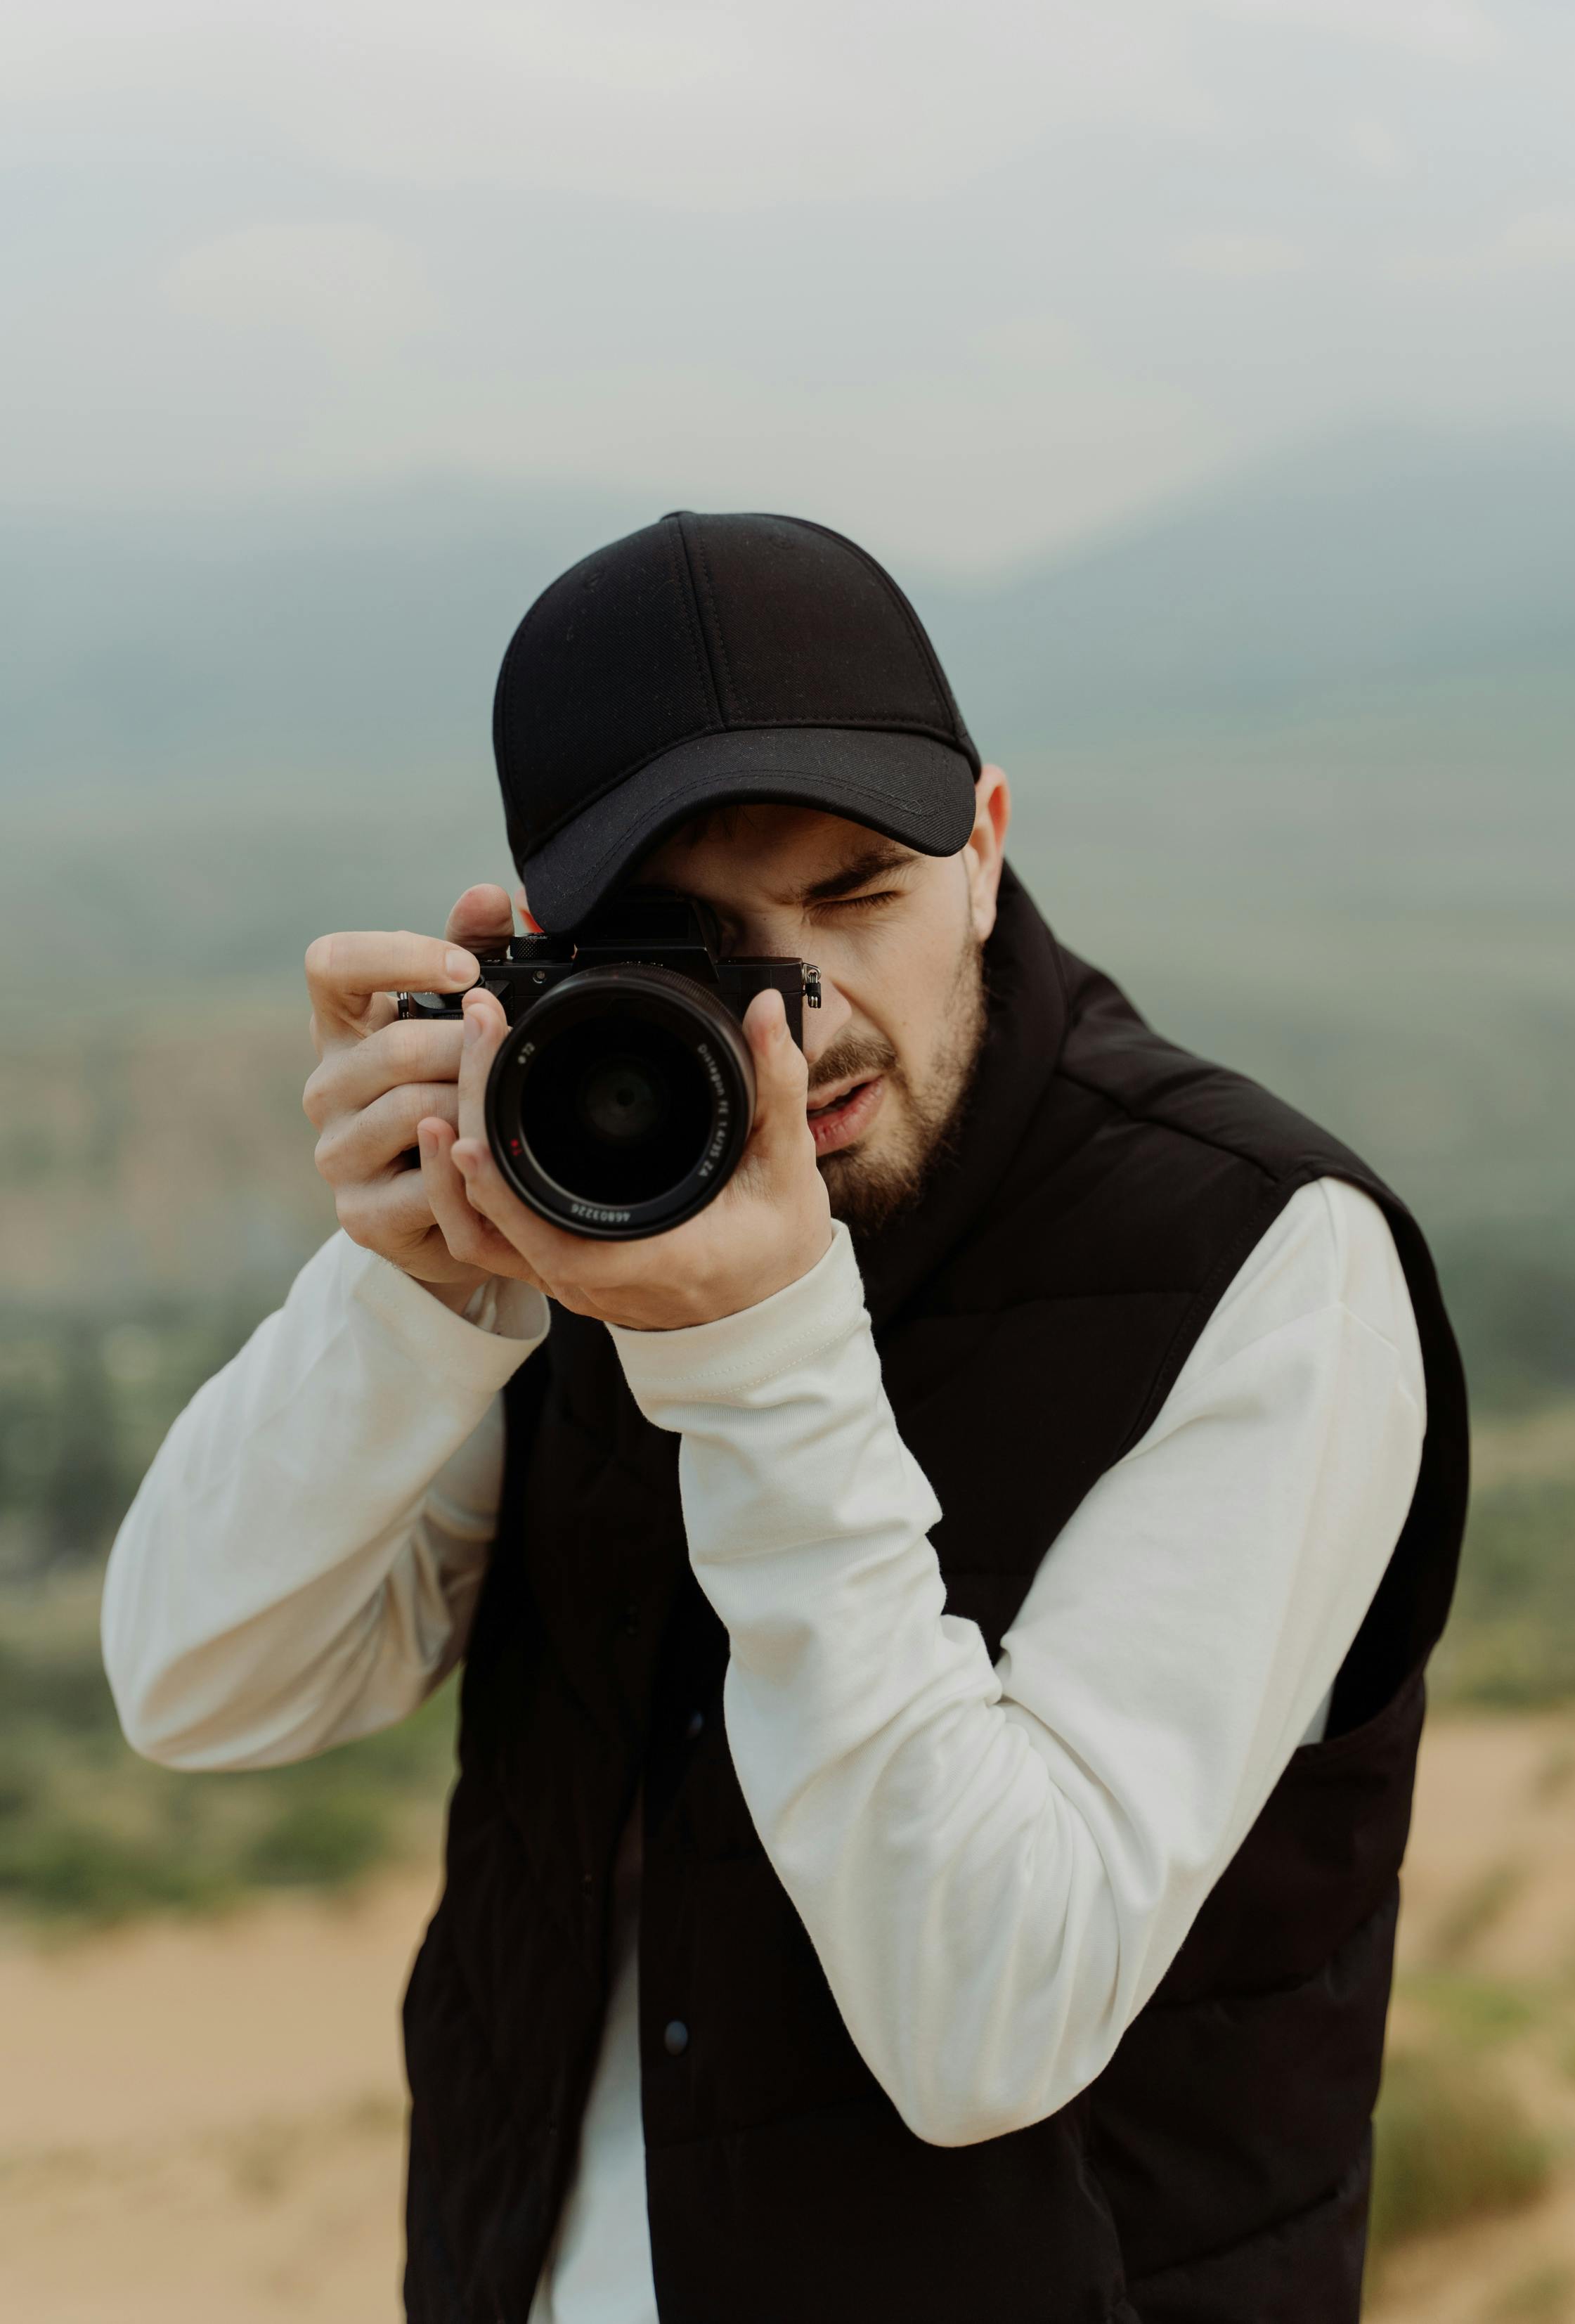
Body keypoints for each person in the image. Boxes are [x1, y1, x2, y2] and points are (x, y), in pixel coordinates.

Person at [102, 511, 1467, 2324]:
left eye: (857, 895)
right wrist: (411, 1299)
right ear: (543, 941)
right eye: (693, 944)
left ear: (985, 847)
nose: (796, 1018)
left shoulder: (1267, 1259)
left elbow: (989, 2023)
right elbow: (201, 1686)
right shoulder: (579, 1179)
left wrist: (758, 1357)